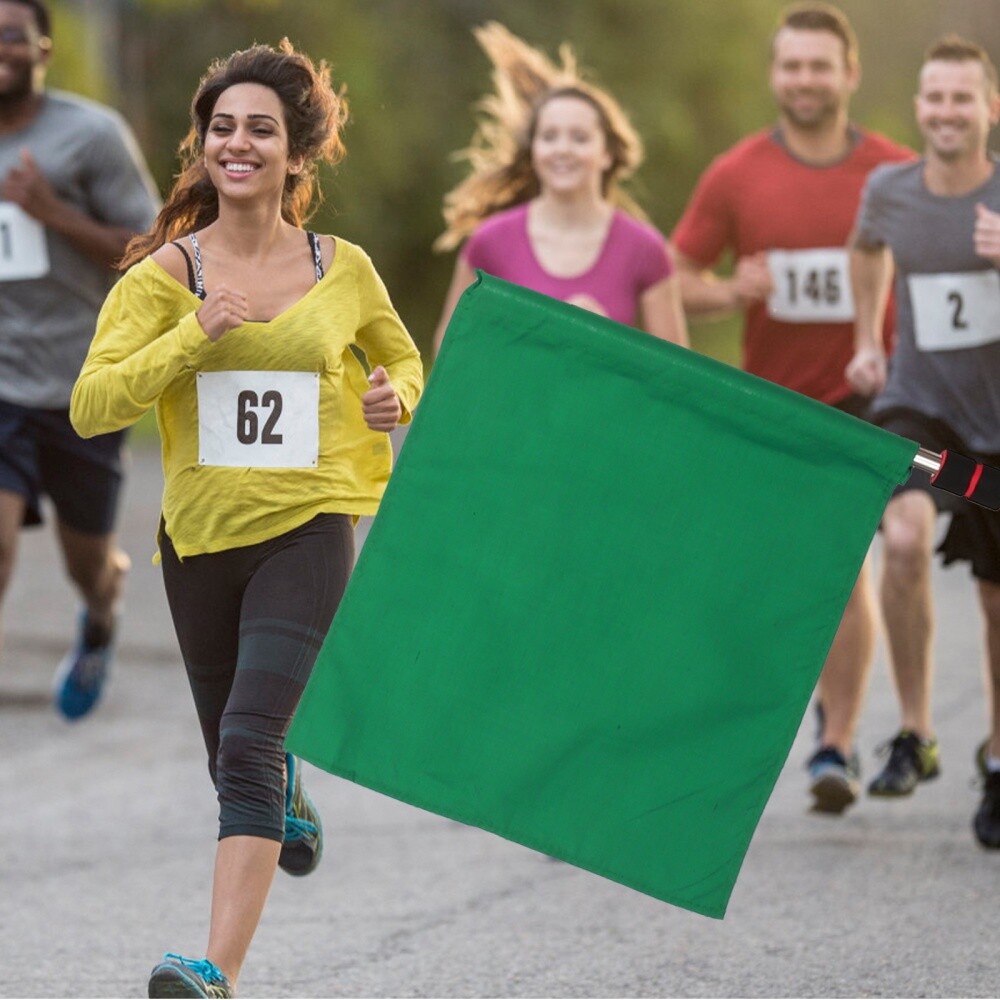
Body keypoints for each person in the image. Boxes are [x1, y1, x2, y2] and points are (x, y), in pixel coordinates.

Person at [70, 40, 424, 997]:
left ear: (295, 155)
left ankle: (213, 971)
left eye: (260, 129)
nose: (239, 143)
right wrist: (192, 336)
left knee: (246, 743)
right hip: (197, 540)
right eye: (222, 128)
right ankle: (289, 799)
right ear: (202, 148)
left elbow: (404, 362)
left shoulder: (342, 269)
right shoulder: (162, 278)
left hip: (309, 527)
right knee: (237, 756)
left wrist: (396, 400)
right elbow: (92, 406)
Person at [670, 1, 912, 815]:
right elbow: (673, 279)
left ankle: (836, 741)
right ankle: (813, 720)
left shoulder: (892, 172)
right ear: (775, 74)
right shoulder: (736, 174)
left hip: (871, 396)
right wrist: (727, 287)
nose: (804, 79)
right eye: (791, 65)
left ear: (848, 74)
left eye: (819, 65)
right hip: (777, 404)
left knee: (845, 570)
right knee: (788, 584)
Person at [848, 35, 1000, 849]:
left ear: (990, 108)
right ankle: (915, 732)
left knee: (994, 601)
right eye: (933, 97)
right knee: (901, 536)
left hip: (998, 433)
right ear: (919, 108)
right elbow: (866, 247)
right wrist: (867, 335)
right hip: (921, 407)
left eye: (961, 98)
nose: (945, 111)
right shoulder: (890, 189)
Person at [0, 0, 159, 719]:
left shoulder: (91, 135)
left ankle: (101, 617)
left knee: (86, 563)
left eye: (8, 35)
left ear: (42, 48)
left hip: (83, 383)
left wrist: (53, 211)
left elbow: (152, 254)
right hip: (2, 380)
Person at [433, 22, 688, 353]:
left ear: (608, 153)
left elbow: (674, 380)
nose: (563, 149)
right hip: (516, 405)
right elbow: (449, 354)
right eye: (549, 136)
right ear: (534, 151)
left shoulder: (646, 249)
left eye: (579, 138)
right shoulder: (488, 243)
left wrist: (606, 339)